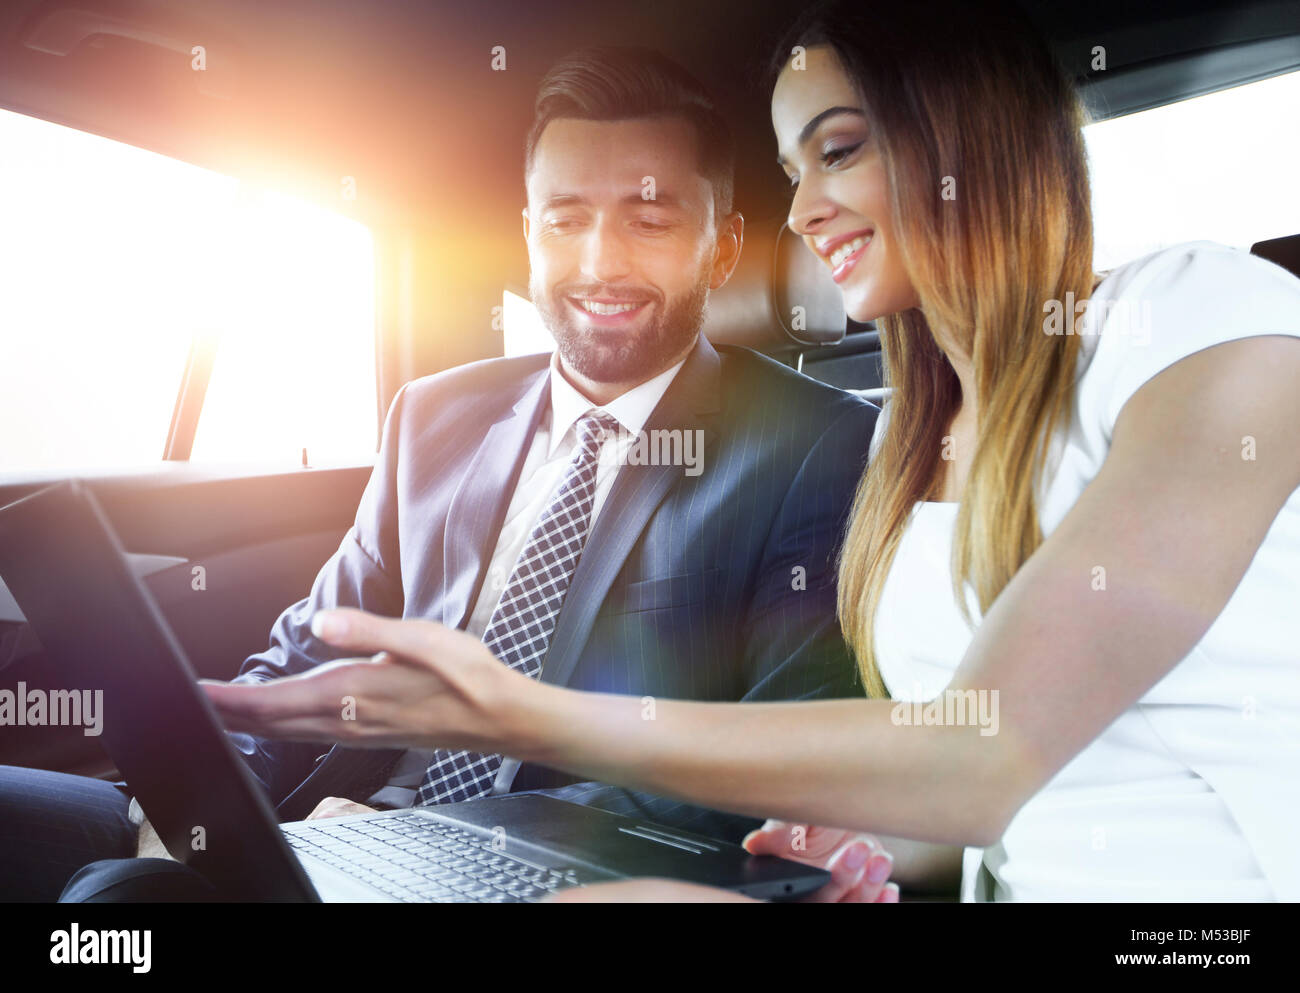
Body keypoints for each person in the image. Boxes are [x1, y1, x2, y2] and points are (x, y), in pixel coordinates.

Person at [204, 0, 1300, 902]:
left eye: (838, 149)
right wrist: (832, 839)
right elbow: (972, 813)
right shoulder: (920, 443)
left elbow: (986, 753)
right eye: (794, 167)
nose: (808, 207)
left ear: (967, 128)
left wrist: (515, 716)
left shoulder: (1204, 317)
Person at [1, 46, 891, 903]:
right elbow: (301, 659)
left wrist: (413, 846)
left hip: (532, 870)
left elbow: (774, 763)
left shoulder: (816, 443)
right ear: (529, 233)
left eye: (650, 220)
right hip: (308, 828)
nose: (598, 263)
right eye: (566, 218)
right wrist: (187, 808)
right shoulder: (432, 417)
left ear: (723, 246)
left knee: (120, 900)